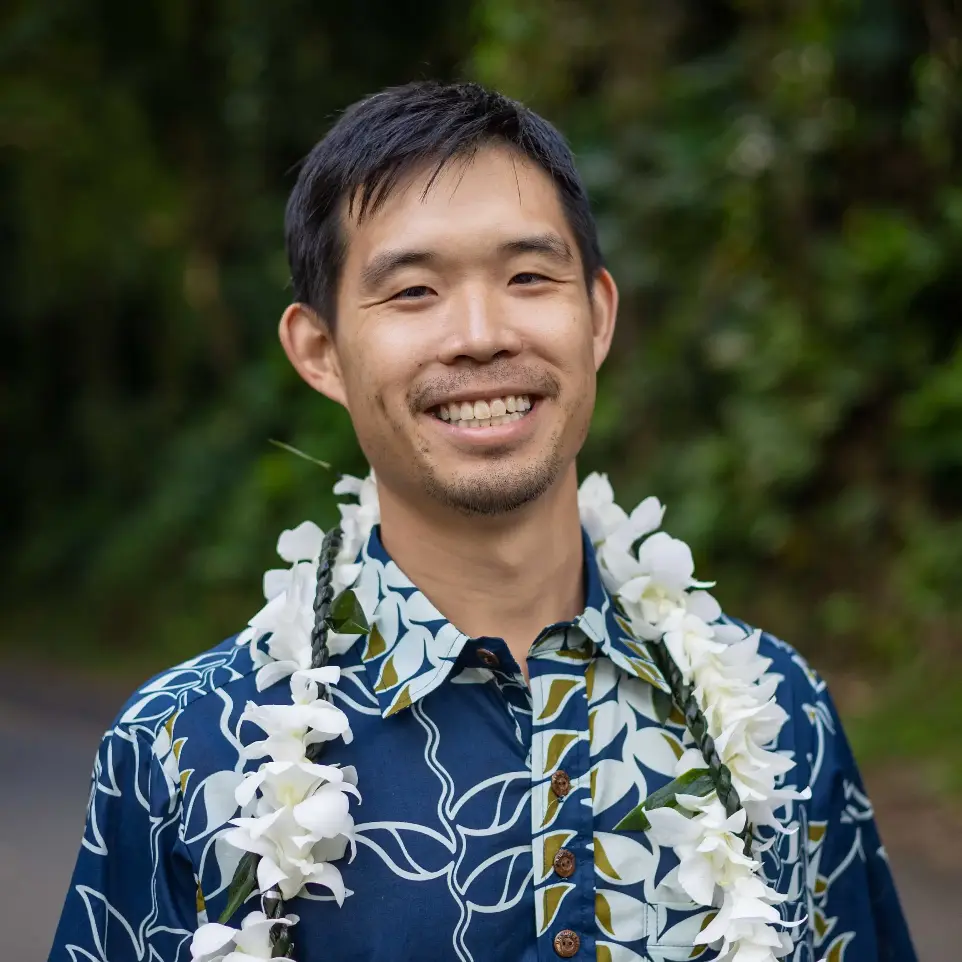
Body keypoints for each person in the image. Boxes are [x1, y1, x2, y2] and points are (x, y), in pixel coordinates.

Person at [49, 81, 916, 962]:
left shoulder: (778, 714)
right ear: (321, 352)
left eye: (529, 277)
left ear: (599, 317)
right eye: (414, 290)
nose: (480, 334)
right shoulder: (184, 750)